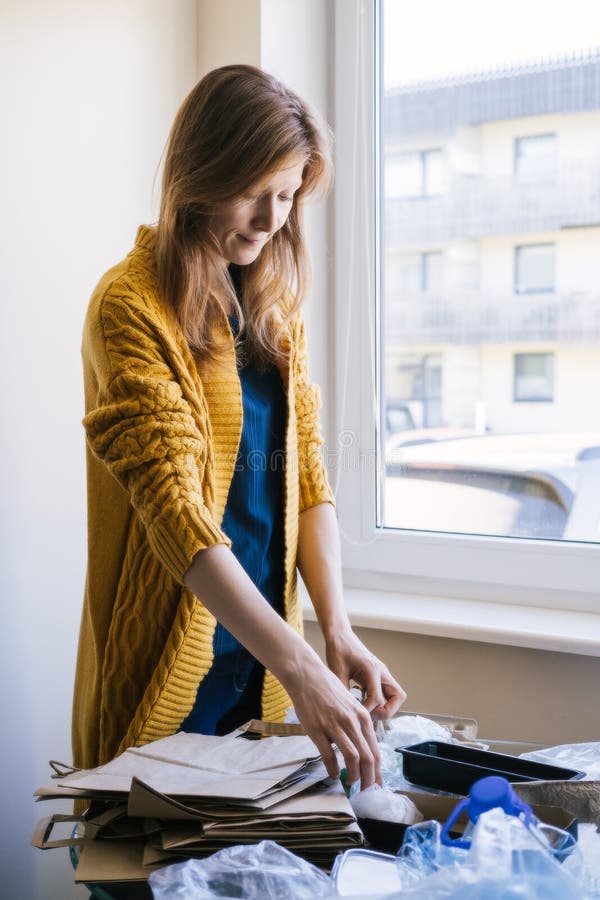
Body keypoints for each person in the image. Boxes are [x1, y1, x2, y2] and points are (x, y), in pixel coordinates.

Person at [72, 64, 406, 791]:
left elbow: (309, 483)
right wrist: (302, 662)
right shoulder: (128, 308)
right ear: (200, 174)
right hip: (165, 685)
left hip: (266, 672)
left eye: (286, 196)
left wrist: (334, 633)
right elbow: (178, 518)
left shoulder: (275, 312)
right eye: (253, 191)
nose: (270, 218)